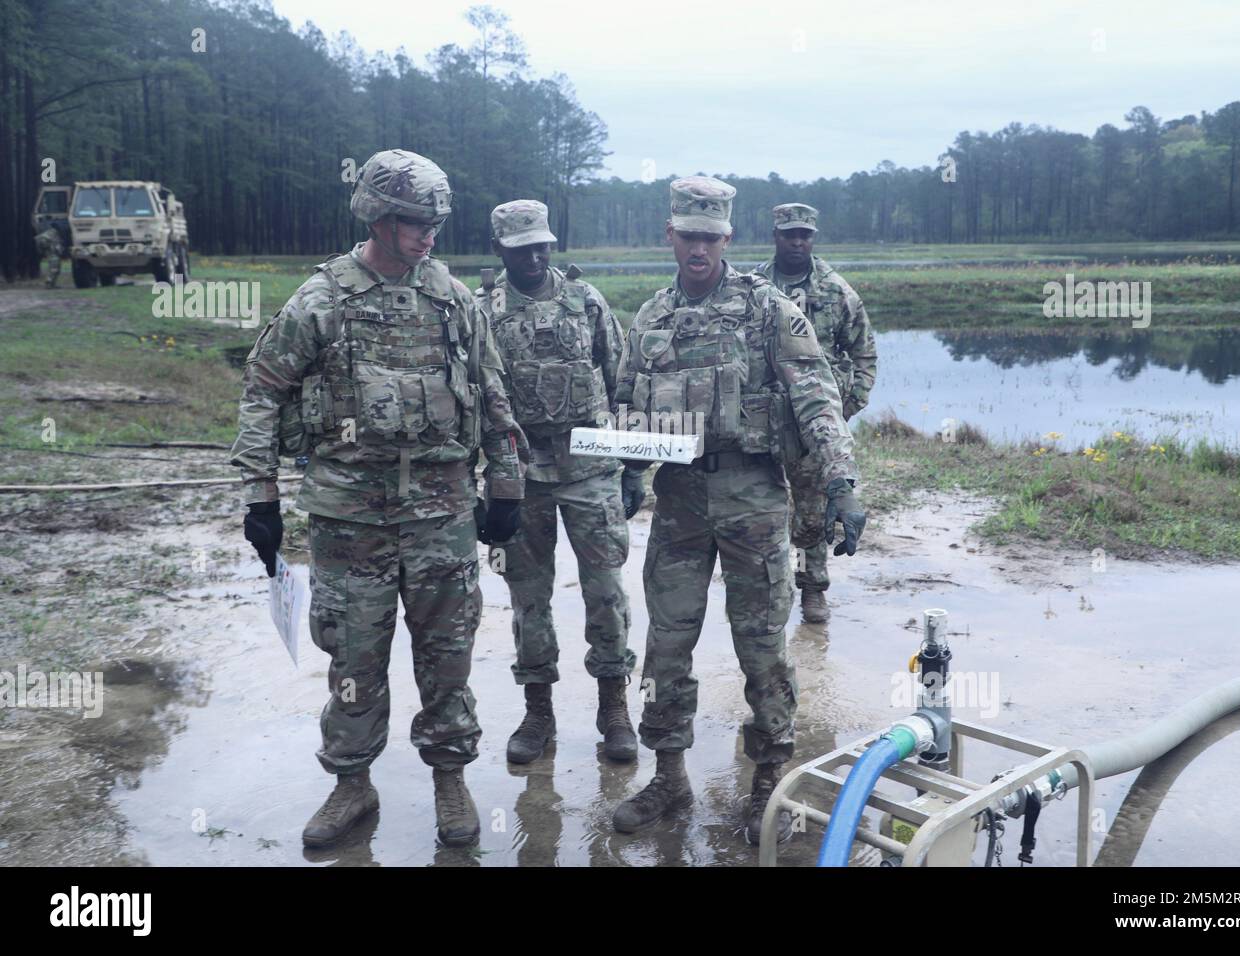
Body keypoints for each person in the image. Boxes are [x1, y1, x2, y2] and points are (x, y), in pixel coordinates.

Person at [231, 149, 527, 849]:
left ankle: (449, 776)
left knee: (447, 654)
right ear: (378, 216)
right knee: (355, 658)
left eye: (436, 223)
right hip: (348, 517)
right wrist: (260, 494)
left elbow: (492, 395)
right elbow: (264, 392)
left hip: (441, 515)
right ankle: (350, 783)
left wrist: (506, 483)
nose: (429, 235)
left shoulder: (453, 300)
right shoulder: (321, 299)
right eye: (415, 223)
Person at [611, 176, 866, 844]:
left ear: (727, 238)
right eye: (687, 236)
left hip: (754, 496)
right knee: (666, 643)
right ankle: (669, 775)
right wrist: (628, 472)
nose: (698, 248)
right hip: (680, 502)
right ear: (670, 236)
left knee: (761, 646)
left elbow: (817, 397)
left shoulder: (767, 309)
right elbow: (628, 407)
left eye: (710, 237)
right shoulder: (651, 318)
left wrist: (842, 481)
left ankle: (767, 781)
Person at [474, 199, 638, 765]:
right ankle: (538, 709)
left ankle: (613, 705)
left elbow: (622, 383)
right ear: (500, 250)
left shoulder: (584, 299)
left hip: (590, 466)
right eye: (523, 249)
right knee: (528, 597)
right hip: (522, 472)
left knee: (606, 591)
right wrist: (488, 486)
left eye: (543, 245)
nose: (536, 257)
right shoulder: (484, 311)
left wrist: (634, 468)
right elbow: (475, 401)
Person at [753, 203, 877, 623]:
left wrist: (846, 408)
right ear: (776, 236)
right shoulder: (753, 285)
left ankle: (812, 590)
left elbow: (864, 353)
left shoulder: (836, 290)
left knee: (809, 512)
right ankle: (764, 591)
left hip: (815, 425)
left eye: (805, 234)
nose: (797, 241)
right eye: (790, 234)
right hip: (763, 420)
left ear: (813, 237)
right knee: (758, 508)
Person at [34, 222, 66, 288]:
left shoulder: (51, 233)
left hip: (51, 253)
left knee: (55, 269)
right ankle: (49, 283)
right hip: (53, 254)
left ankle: (52, 284)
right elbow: (55, 245)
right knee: (54, 268)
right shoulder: (53, 233)